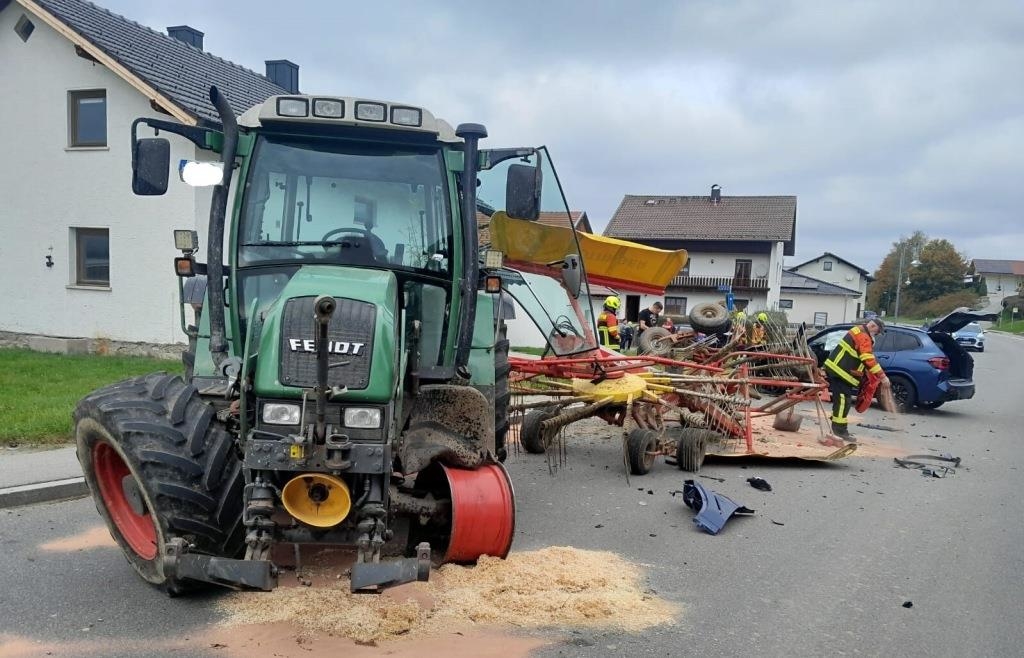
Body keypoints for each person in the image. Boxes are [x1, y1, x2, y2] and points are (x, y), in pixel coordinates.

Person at [823, 318, 889, 439]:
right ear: (873, 327)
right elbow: (867, 359)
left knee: (843, 401)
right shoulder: (863, 336)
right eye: (878, 332)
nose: (877, 336)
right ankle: (839, 431)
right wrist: (883, 377)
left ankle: (839, 428)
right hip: (840, 372)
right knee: (843, 401)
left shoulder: (859, 331)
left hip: (841, 371)